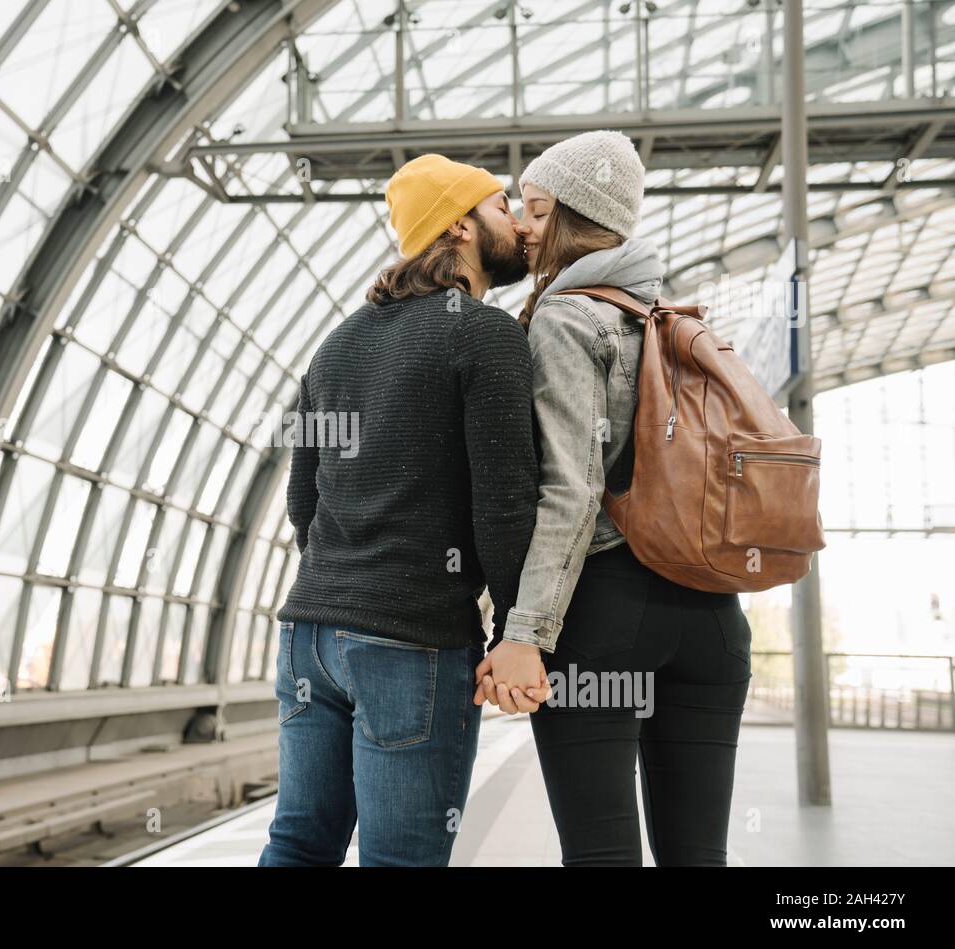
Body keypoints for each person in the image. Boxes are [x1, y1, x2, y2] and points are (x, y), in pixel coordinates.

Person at [474, 129, 754, 866]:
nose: (521, 228)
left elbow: (571, 489)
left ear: (570, 216)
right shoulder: (676, 320)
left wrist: (524, 632)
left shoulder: (567, 318)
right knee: (700, 857)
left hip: (604, 617)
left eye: (534, 210)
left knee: (602, 855)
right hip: (713, 621)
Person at [258, 154, 545, 867]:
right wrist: (518, 630)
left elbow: (303, 503)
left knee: (297, 843)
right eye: (501, 206)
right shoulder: (486, 334)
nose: (516, 222)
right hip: (412, 640)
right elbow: (504, 506)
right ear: (460, 226)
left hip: (307, 635)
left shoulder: (338, 343)